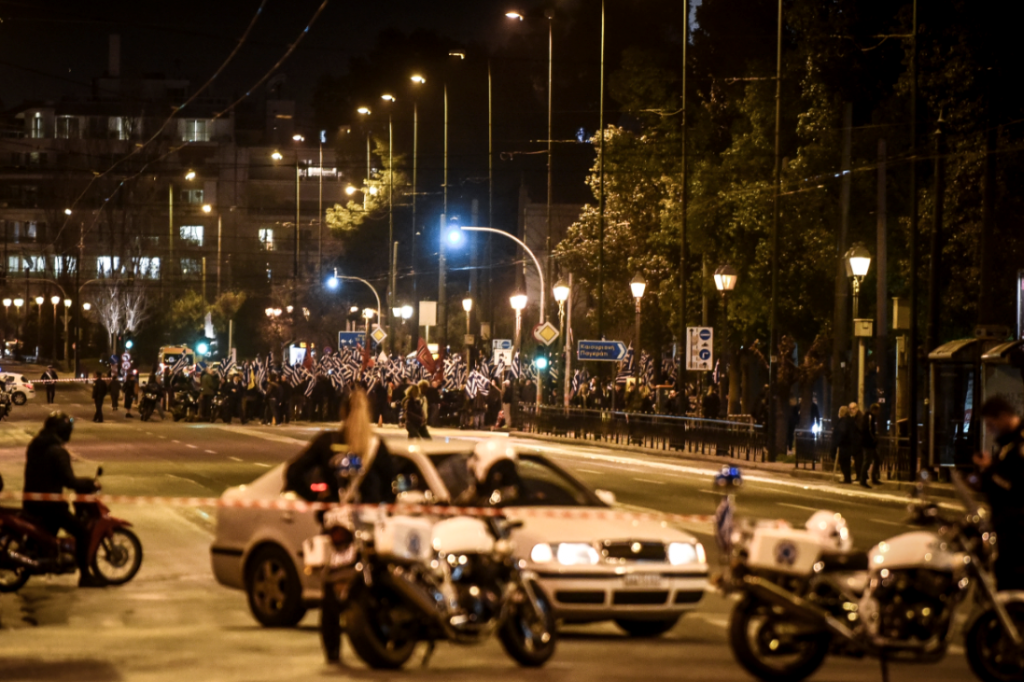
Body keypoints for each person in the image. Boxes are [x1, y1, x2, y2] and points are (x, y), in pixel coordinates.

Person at [23, 412, 103, 586]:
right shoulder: (57, 452)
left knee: (49, 533)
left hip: (32, 501)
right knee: (82, 532)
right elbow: (69, 480)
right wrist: (90, 483)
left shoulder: (36, 445)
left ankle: (49, 555)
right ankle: (85, 577)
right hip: (50, 505)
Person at [974, 396, 1024, 590]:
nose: (989, 429)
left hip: (1017, 529)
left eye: (990, 424)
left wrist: (989, 472)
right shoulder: (1009, 443)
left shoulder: (1019, 444)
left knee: (1013, 581)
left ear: (1003, 416)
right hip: (1006, 525)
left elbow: (1015, 484)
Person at [861, 403, 882, 485]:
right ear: (874, 410)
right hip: (868, 443)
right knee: (867, 461)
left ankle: (873, 477)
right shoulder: (869, 417)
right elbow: (869, 430)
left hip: (870, 443)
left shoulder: (871, 417)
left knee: (876, 459)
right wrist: (874, 438)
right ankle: (863, 480)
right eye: (878, 410)